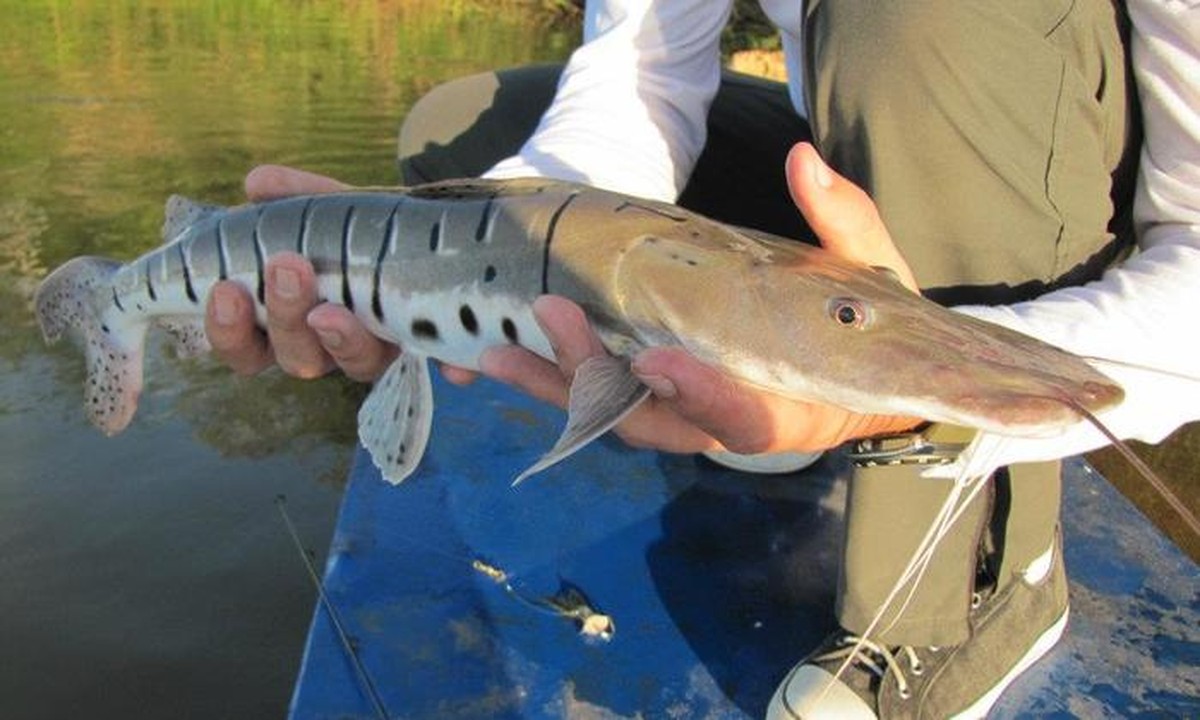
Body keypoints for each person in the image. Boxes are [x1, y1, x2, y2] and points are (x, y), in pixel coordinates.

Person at [205, 1, 1200, 717]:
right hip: (840, 158)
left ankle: (975, 588)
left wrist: (998, 367)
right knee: (464, 132)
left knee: (917, 20)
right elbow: (638, 70)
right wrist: (498, 237)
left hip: (1027, 161)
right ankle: (740, 383)